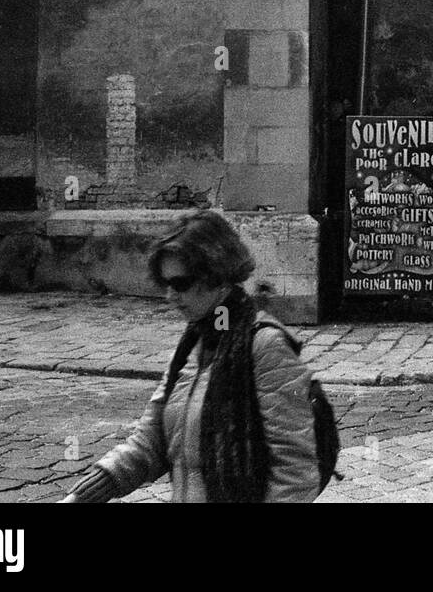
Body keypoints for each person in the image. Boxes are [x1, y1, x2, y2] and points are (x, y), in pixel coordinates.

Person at [63, 210, 320, 503]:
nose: (170, 295)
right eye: (165, 283)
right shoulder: (191, 346)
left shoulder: (265, 346)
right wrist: (81, 496)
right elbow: (150, 442)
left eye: (181, 283)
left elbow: (296, 473)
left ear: (217, 276)